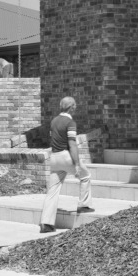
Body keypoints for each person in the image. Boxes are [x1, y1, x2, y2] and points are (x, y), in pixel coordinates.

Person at [39, 96, 93, 232]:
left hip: (54, 158)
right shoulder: (70, 122)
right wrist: (76, 164)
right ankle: (84, 205)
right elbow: (72, 143)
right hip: (65, 156)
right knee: (85, 175)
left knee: (52, 191)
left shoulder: (54, 121)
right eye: (74, 105)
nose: (75, 108)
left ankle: (46, 224)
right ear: (71, 107)